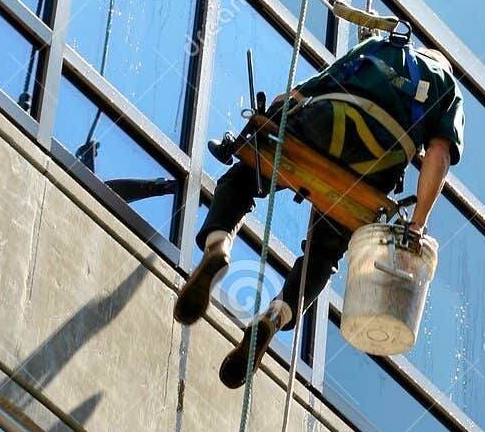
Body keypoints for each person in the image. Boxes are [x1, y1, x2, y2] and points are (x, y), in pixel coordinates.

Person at [174, 34, 465, 386]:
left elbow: (306, 90)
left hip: (323, 125)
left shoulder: (383, 44)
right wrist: (416, 226)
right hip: (372, 170)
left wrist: (271, 120)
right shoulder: (447, 87)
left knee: (241, 181)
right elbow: (439, 156)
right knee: (324, 254)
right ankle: (277, 315)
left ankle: (219, 244)